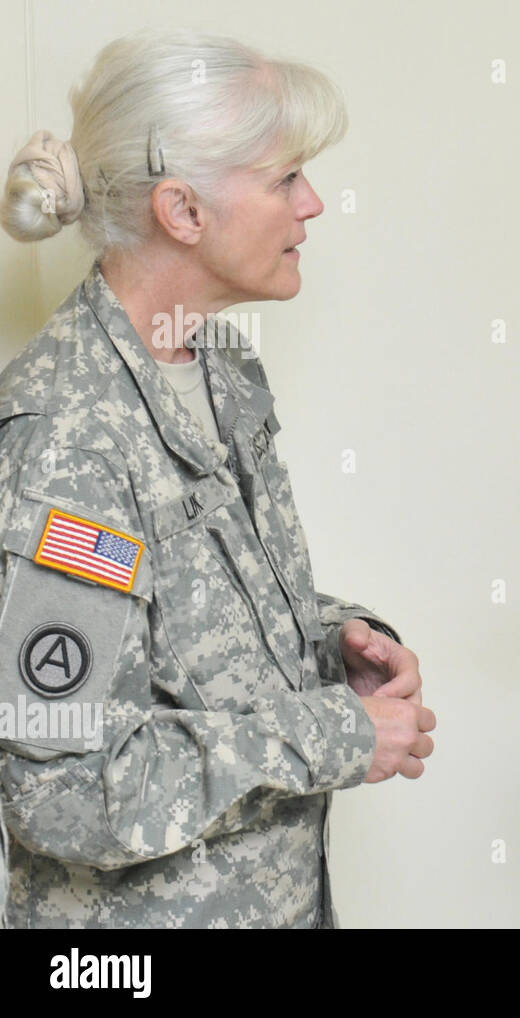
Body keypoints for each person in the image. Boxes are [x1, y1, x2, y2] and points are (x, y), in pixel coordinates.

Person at [0, 30, 436, 928]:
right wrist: (329, 734)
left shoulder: (216, 365)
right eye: (285, 179)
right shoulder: (71, 440)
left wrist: (331, 638)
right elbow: (61, 786)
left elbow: (184, 615)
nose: (312, 204)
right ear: (183, 211)